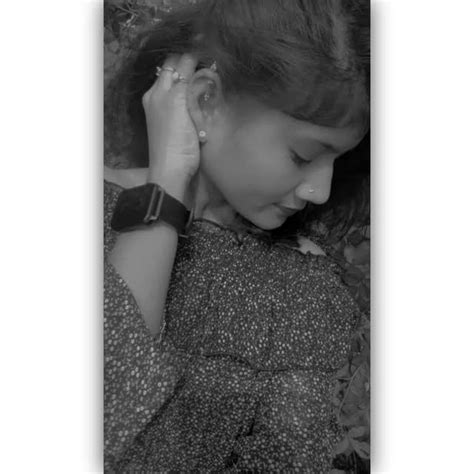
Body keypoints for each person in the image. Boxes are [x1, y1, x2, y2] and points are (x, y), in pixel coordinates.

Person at [104, 0, 370, 471]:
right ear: (206, 101)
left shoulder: (306, 285)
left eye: (339, 161)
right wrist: (168, 180)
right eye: (304, 155)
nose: (321, 190)